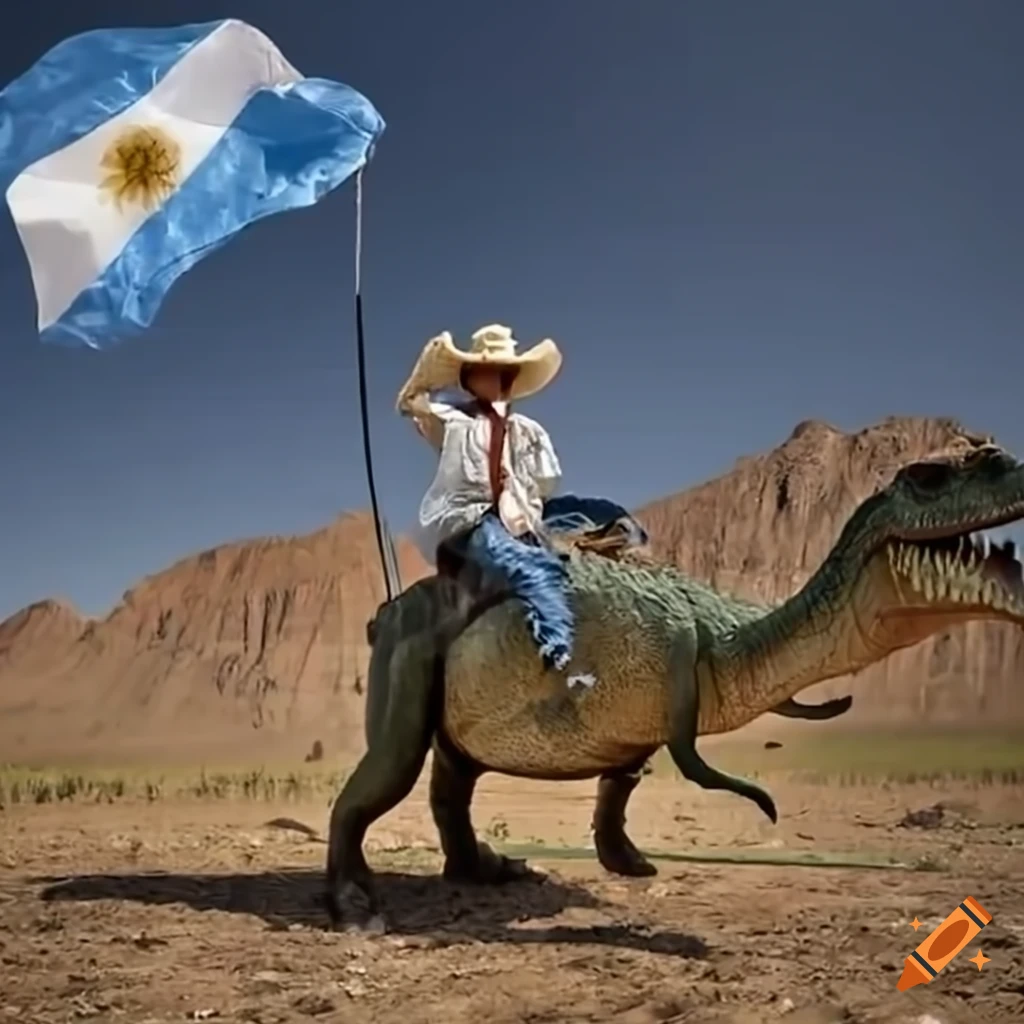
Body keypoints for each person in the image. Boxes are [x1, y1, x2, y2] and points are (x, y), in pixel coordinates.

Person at [395, 324, 575, 670]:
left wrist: (518, 493)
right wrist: (435, 360)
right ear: (470, 378)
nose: (494, 379)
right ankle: (557, 649)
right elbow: (409, 402)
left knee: (592, 514)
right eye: (482, 372)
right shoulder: (453, 420)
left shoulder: (526, 431)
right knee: (527, 565)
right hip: (469, 520)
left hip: (517, 517)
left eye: (500, 373)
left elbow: (546, 481)